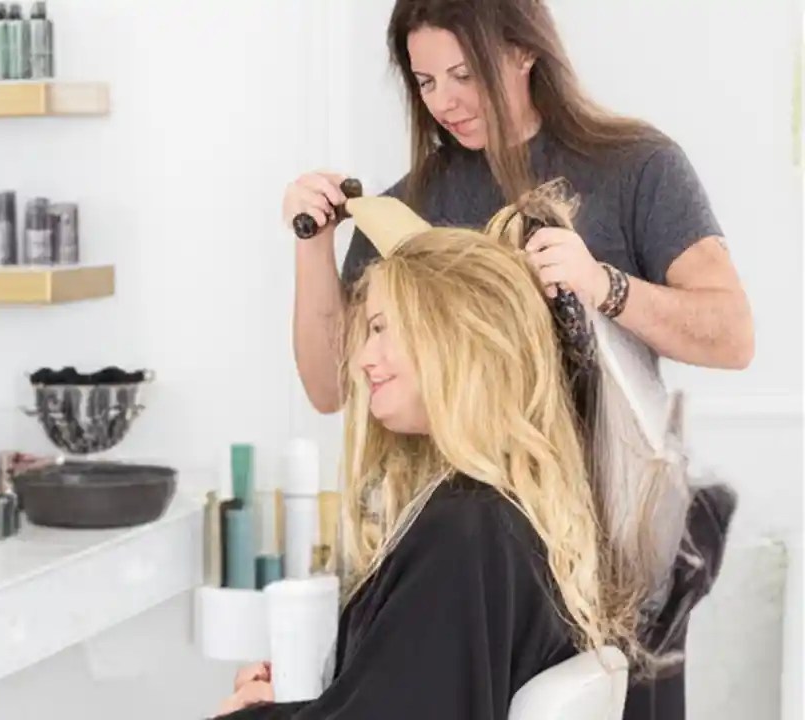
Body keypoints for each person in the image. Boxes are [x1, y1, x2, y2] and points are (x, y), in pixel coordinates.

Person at [283, 1, 753, 717]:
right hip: (470, 566)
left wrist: (604, 286)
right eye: (425, 82)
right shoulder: (405, 209)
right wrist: (312, 249)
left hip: (610, 555)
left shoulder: (636, 168)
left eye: (463, 74)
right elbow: (330, 387)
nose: (444, 101)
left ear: (524, 51)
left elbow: (732, 334)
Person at [215, 208, 642, 718]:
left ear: (453, 339)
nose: (364, 358)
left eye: (381, 328)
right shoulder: (493, 513)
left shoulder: (465, 530)